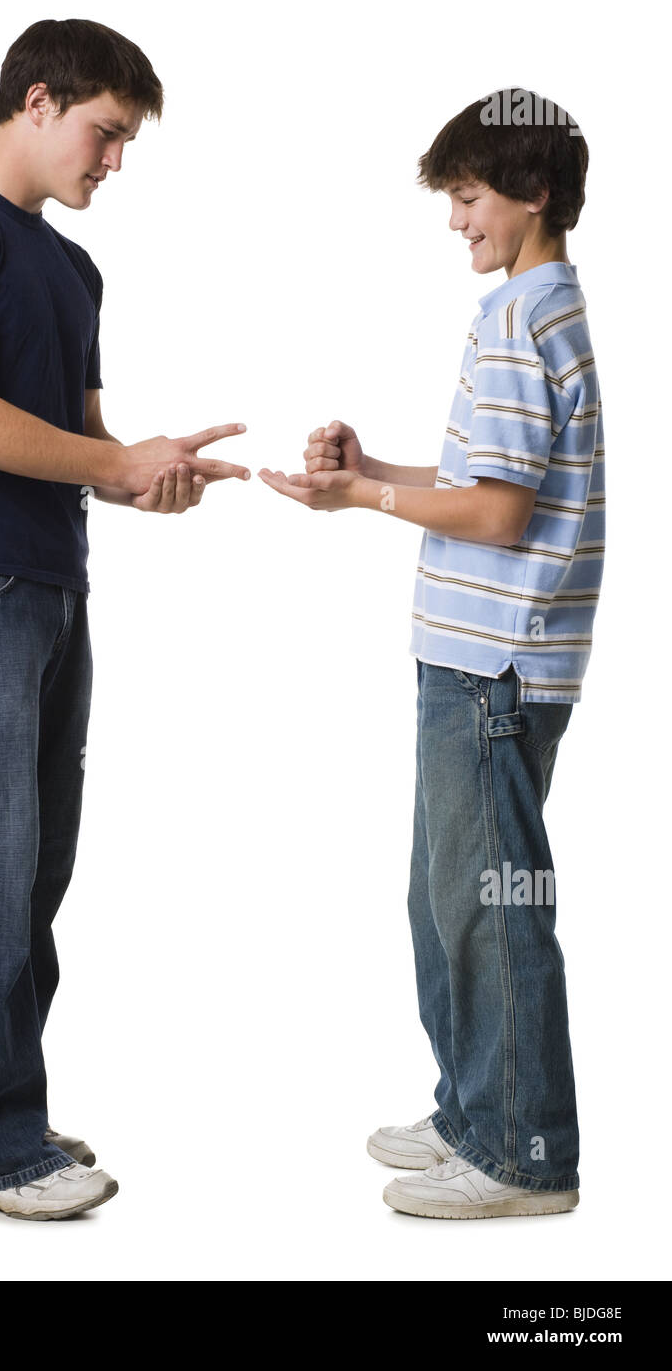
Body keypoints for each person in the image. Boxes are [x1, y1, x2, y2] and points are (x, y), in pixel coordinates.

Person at [0, 17, 248, 1221]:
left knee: (30, 877)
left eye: (125, 143)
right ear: (36, 102)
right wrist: (110, 457)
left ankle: (4, 1110)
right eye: (104, 134)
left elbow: (82, 442)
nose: (113, 163)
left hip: (52, 588)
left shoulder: (72, 269)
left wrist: (147, 477)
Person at [259, 88, 603, 1218]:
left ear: (531, 193)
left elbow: (497, 517)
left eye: (466, 197)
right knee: (445, 895)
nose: (455, 220)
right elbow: (486, 489)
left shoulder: (518, 319)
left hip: (490, 668)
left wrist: (360, 495)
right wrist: (377, 471)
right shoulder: (538, 308)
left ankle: (520, 1153)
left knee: (490, 903)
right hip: (479, 661)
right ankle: (471, 1107)